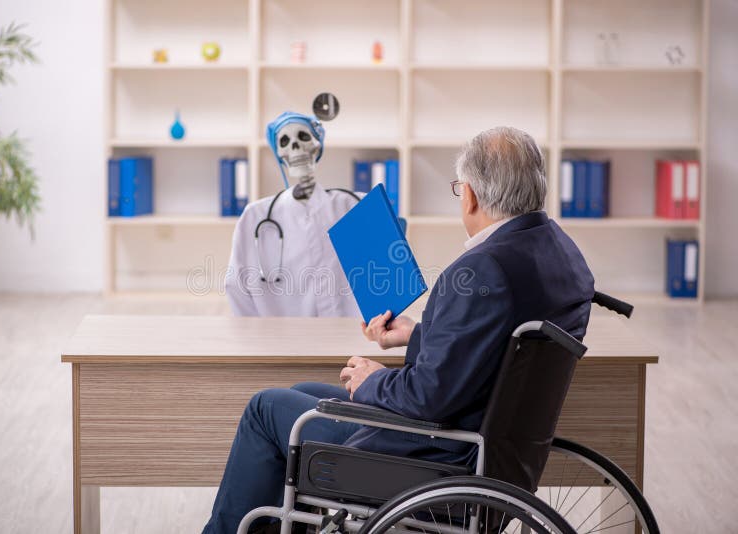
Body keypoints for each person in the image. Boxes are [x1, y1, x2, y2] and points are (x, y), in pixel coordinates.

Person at [201, 126, 595, 533]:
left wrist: (374, 379)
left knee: (265, 409)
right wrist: (418, 334)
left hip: (431, 460)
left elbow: (429, 396)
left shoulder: (483, 268)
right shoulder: (558, 251)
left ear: (472, 195)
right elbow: (495, 348)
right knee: (302, 392)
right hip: (488, 449)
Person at [225, 111, 361, 317]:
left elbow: (389, 279)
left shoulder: (354, 206)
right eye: (285, 142)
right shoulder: (255, 216)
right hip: (279, 344)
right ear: (279, 155)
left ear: (318, 146)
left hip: (353, 338)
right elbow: (236, 289)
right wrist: (256, 340)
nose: (295, 147)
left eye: (304, 137)